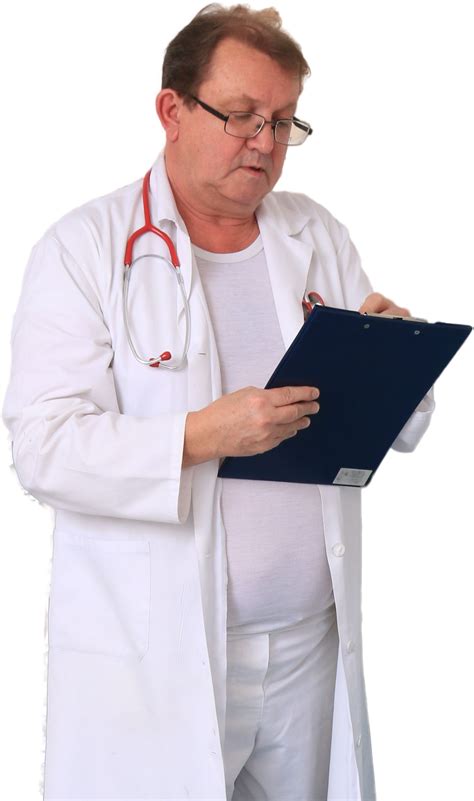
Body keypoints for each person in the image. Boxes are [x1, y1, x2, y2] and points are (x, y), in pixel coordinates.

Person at [2, 4, 435, 800]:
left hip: (309, 647)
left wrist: (395, 359)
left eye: (283, 121)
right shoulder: (83, 248)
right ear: (172, 110)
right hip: (161, 653)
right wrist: (201, 434)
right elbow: (44, 446)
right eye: (241, 115)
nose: (264, 142)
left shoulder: (316, 235)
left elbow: (393, 426)